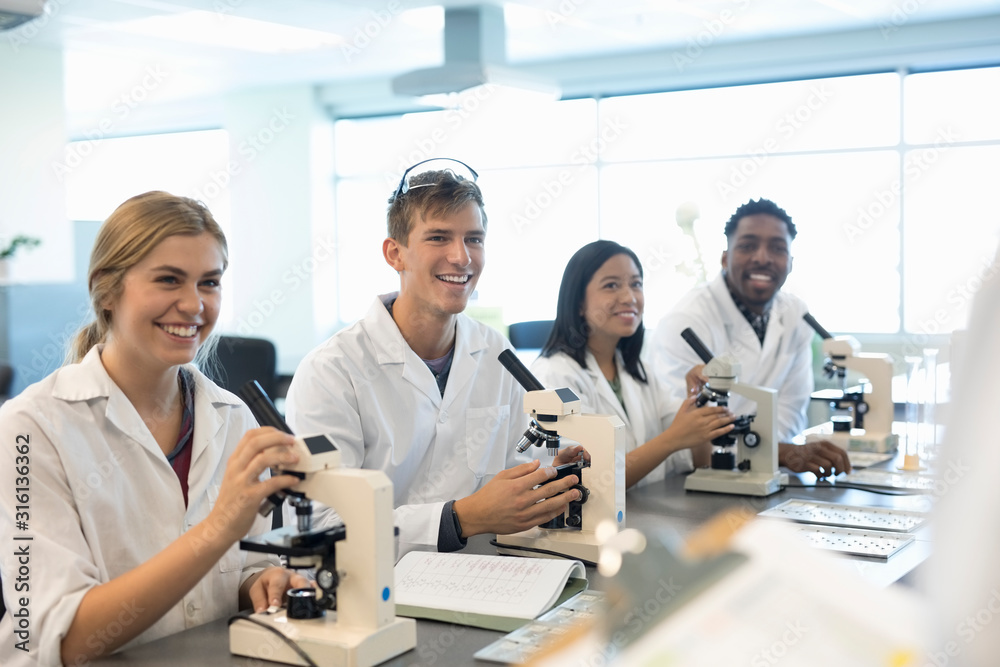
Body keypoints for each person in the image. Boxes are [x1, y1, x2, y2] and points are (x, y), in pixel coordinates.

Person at [0, 192, 309, 667]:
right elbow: (64, 640)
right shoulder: (29, 429)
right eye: (168, 280)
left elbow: (249, 566)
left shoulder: (232, 417)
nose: (193, 304)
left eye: (209, 282)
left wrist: (259, 584)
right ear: (106, 289)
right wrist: (217, 529)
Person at [285, 159, 582, 556]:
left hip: (486, 577)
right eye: (439, 237)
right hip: (379, 597)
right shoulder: (330, 372)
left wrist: (549, 472)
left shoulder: (496, 353)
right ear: (395, 254)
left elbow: (514, 464)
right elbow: (324, 525)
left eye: (474, 239)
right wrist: (460, 518)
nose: (461, 257)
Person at [652, 198, 851, 478]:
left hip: (767, 475)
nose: (762, 258)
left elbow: (790, 408)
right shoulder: (687, 321)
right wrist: (774, 452)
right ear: (725, 257)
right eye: (747, 246)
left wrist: (772, 454)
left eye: (777, 248)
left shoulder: (795, 313)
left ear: (791, 262)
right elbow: (680, 430)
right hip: (692, 479)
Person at [531, 240, 735, 489]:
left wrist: (699, 400)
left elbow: (699, 461)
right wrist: (671, 439)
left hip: (645, 517)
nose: (629, 297)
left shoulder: (640, 371)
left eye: (636, 284)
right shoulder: (555, 376)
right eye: (611, 285)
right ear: (579, 302)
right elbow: (583, 480)